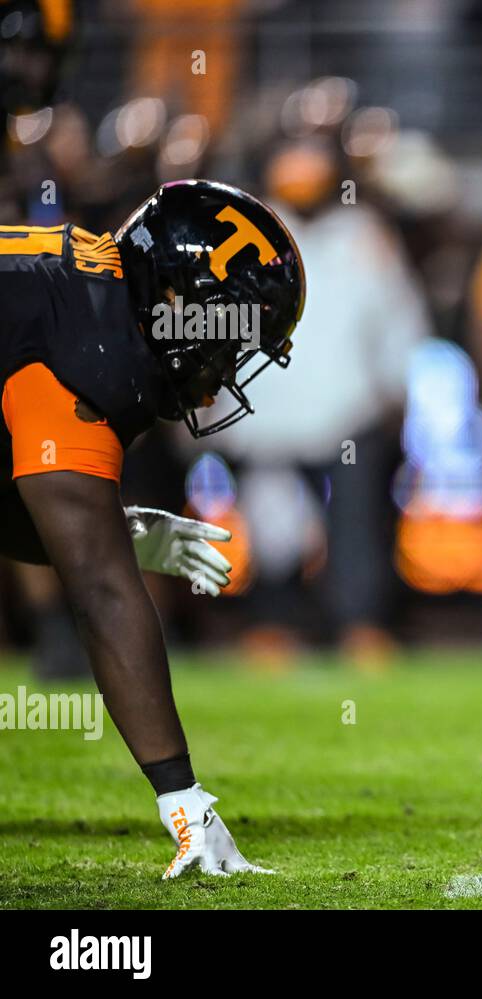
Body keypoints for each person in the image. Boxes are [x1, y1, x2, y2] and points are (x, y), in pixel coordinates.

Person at [0, 178, 305, 877]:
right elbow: (102, 593)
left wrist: (121, 530)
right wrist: (182, 796)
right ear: (175, 303)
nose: (222, 374)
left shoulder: (83, 289)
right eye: (227, 344)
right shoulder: (85, 349)